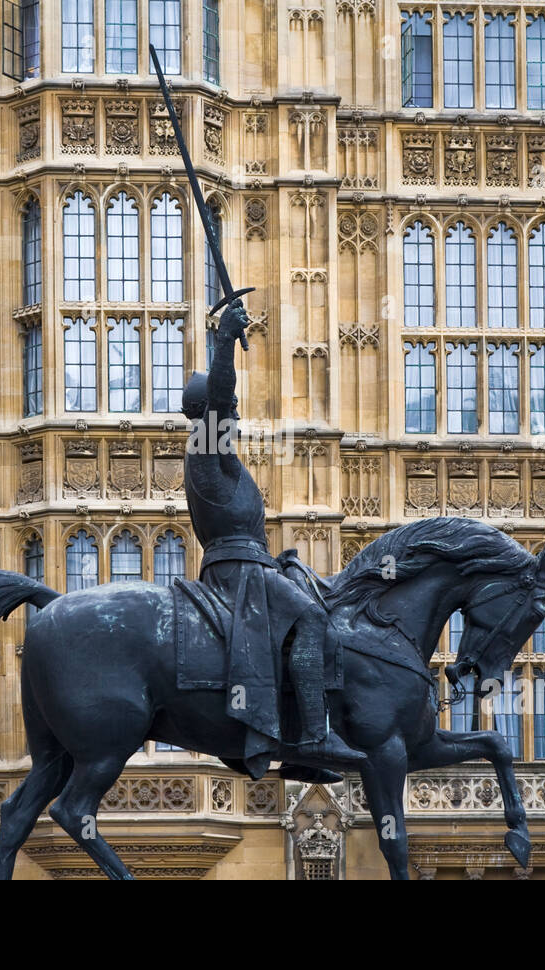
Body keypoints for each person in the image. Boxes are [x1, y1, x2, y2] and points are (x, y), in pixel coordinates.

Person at [181, 302, 363, 777]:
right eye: (228, 413)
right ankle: (314, 738)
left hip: (249, 565)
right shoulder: (207, 445)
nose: (235, 418)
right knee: (311, 619)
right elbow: (223, 395)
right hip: (239, 572)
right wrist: (224, 342)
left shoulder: (216, 458)